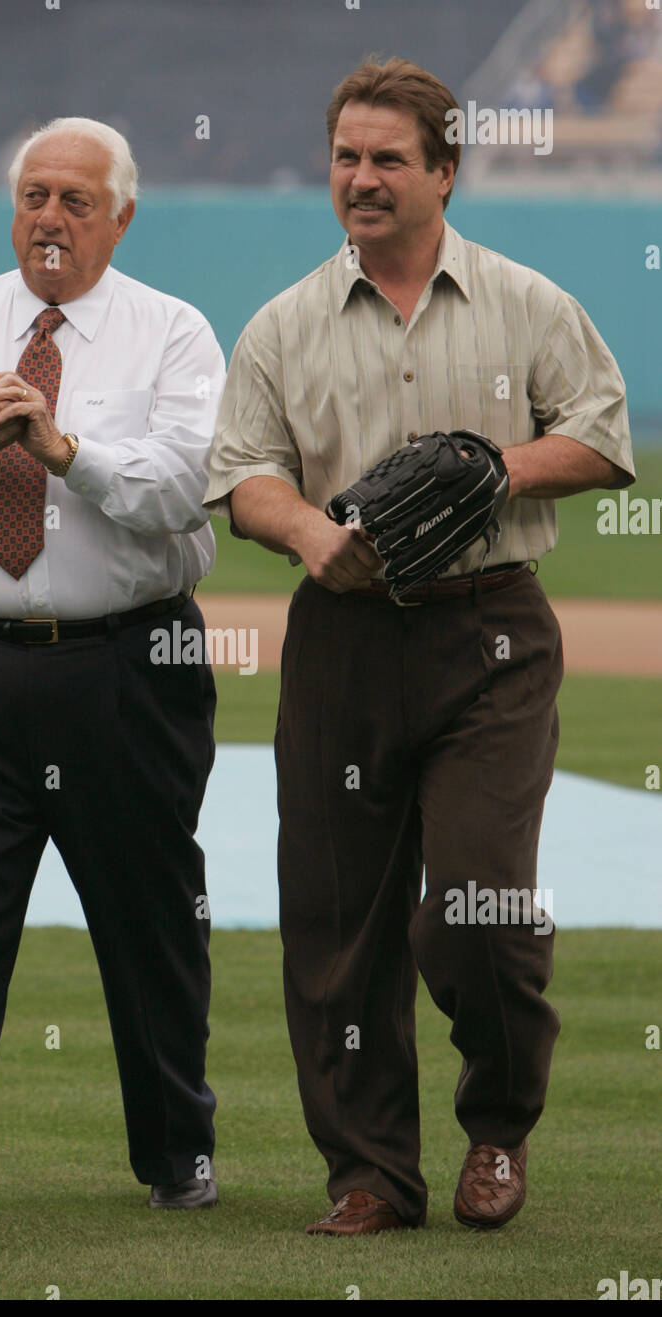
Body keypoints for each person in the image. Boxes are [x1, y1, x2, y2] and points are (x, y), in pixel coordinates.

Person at [204, 58, 634, 1236]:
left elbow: (599, 435)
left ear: (446, 170)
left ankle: (495, 1126)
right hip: (341, 636)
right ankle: (369, 1174)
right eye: (347, 156)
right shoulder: (283, 323)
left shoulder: (527, 304)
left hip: (488, 630)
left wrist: (497, 465)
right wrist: (305, 531)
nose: (362, 178)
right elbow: (241, 473)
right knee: (337, 923)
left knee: (478, 904)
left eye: (389, 158)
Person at [0, 117, 225, 1225]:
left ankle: (176, 1153)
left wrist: (63, 447)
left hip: (125, 666)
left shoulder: (173, 335)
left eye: (73, 199)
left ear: (120, 214)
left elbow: (180, 492)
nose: (48, 218)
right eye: (32, 196)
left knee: (149, 914)